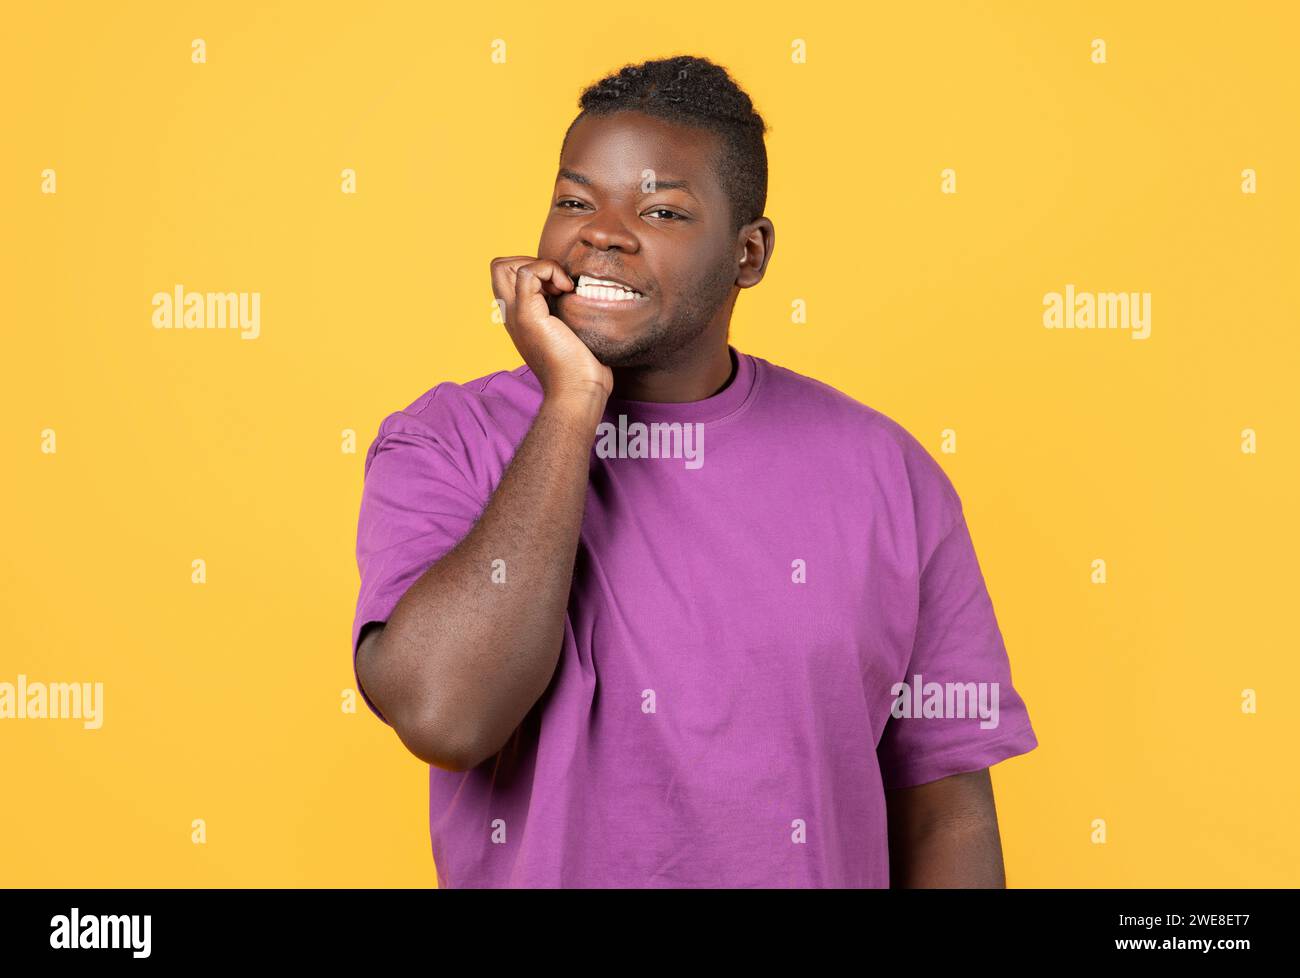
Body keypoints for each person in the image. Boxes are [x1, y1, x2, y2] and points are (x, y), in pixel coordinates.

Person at [350, 54, 1037, 888]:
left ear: (748, 255)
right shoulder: (444, 442)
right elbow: (446, 716)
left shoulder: (886, 473)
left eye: (662, 210)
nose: (601, 232)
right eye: (574, 200)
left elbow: (947, 810)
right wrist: (572, 401)